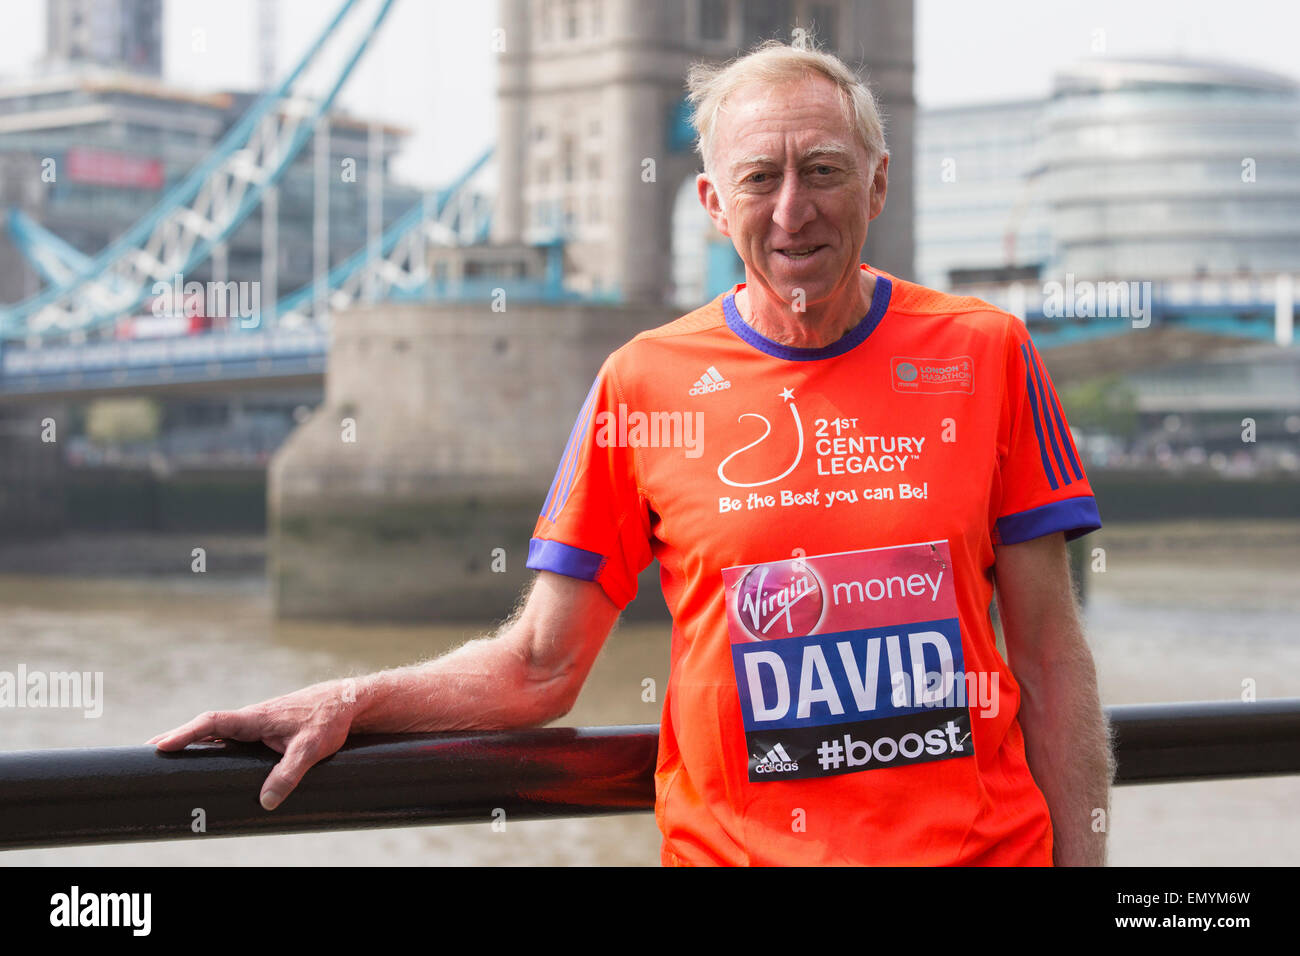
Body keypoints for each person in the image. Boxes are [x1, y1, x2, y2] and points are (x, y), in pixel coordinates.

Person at [152, 40, 1113, 866]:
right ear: (709, 200)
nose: (792, 213)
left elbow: (1047, 654)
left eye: (822, 170)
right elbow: (538, 666)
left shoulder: (985, 353)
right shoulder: (640, 384)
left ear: (878, 182)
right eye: (758, 179)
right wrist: (350, 700)